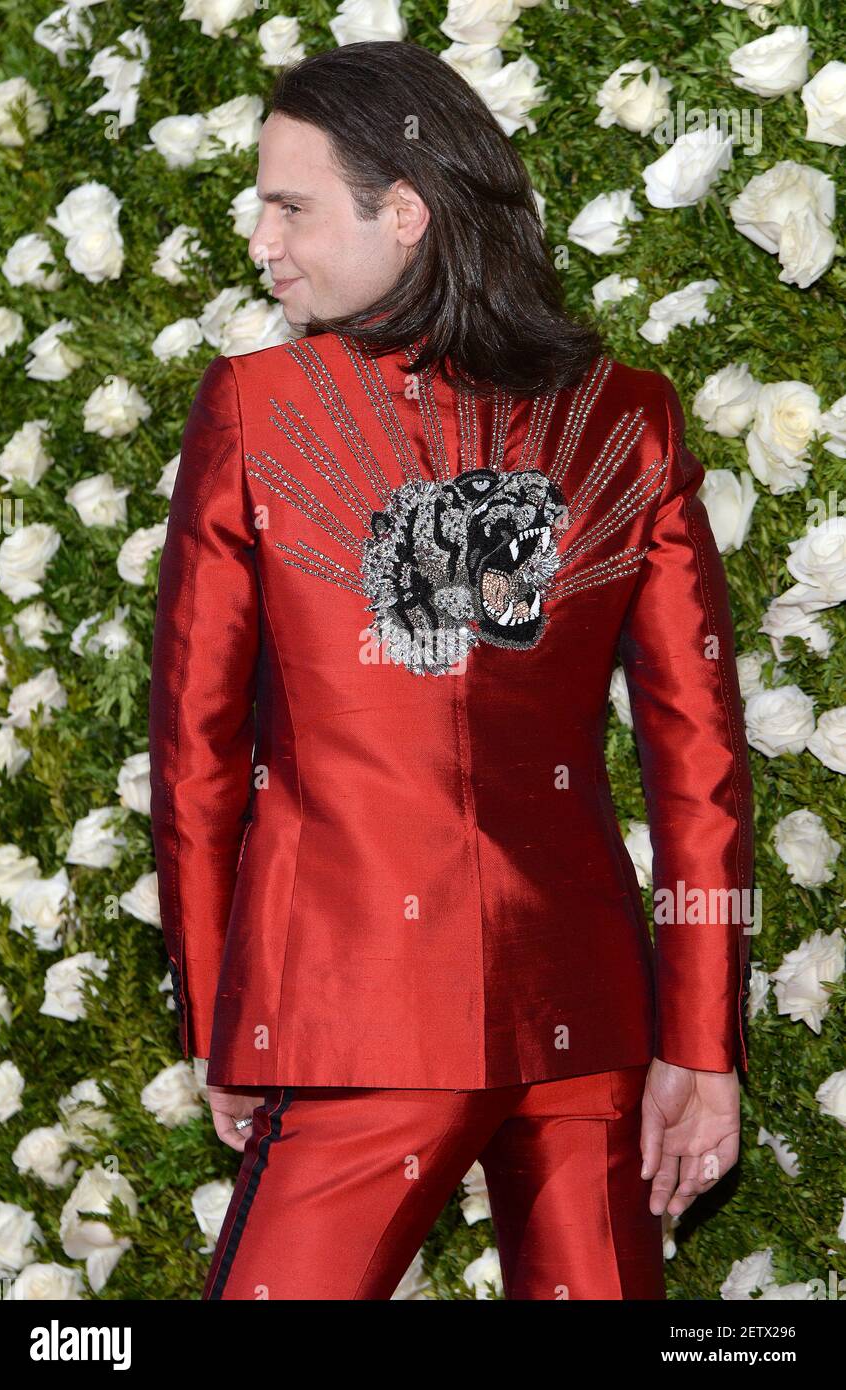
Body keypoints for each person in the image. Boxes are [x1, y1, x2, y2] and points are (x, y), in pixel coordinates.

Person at [148, 40, 755, 1301]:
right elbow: (698, 765)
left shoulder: (258, 410)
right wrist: (699, 1035)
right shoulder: (625, 414)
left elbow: (197, 750)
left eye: (289, 204)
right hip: (585, 1015)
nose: (261, 239)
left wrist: (224, 1012)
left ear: (406, 213)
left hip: (351, 1020)